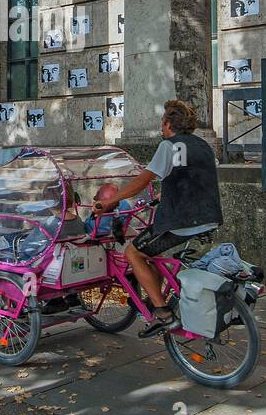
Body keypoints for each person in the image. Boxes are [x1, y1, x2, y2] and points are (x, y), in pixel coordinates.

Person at [93, 99, 223, 337]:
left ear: (167, 124)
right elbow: (192, 177)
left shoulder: (169, 146)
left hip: (181, 219)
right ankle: (158, 297)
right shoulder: (202, 145)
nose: (161, 129)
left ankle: (163, 314)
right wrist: (166, 193)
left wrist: (110, 201)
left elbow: (142, 181)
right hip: (209, 215)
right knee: (151, 252)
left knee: (133, 252)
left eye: (162, 124)